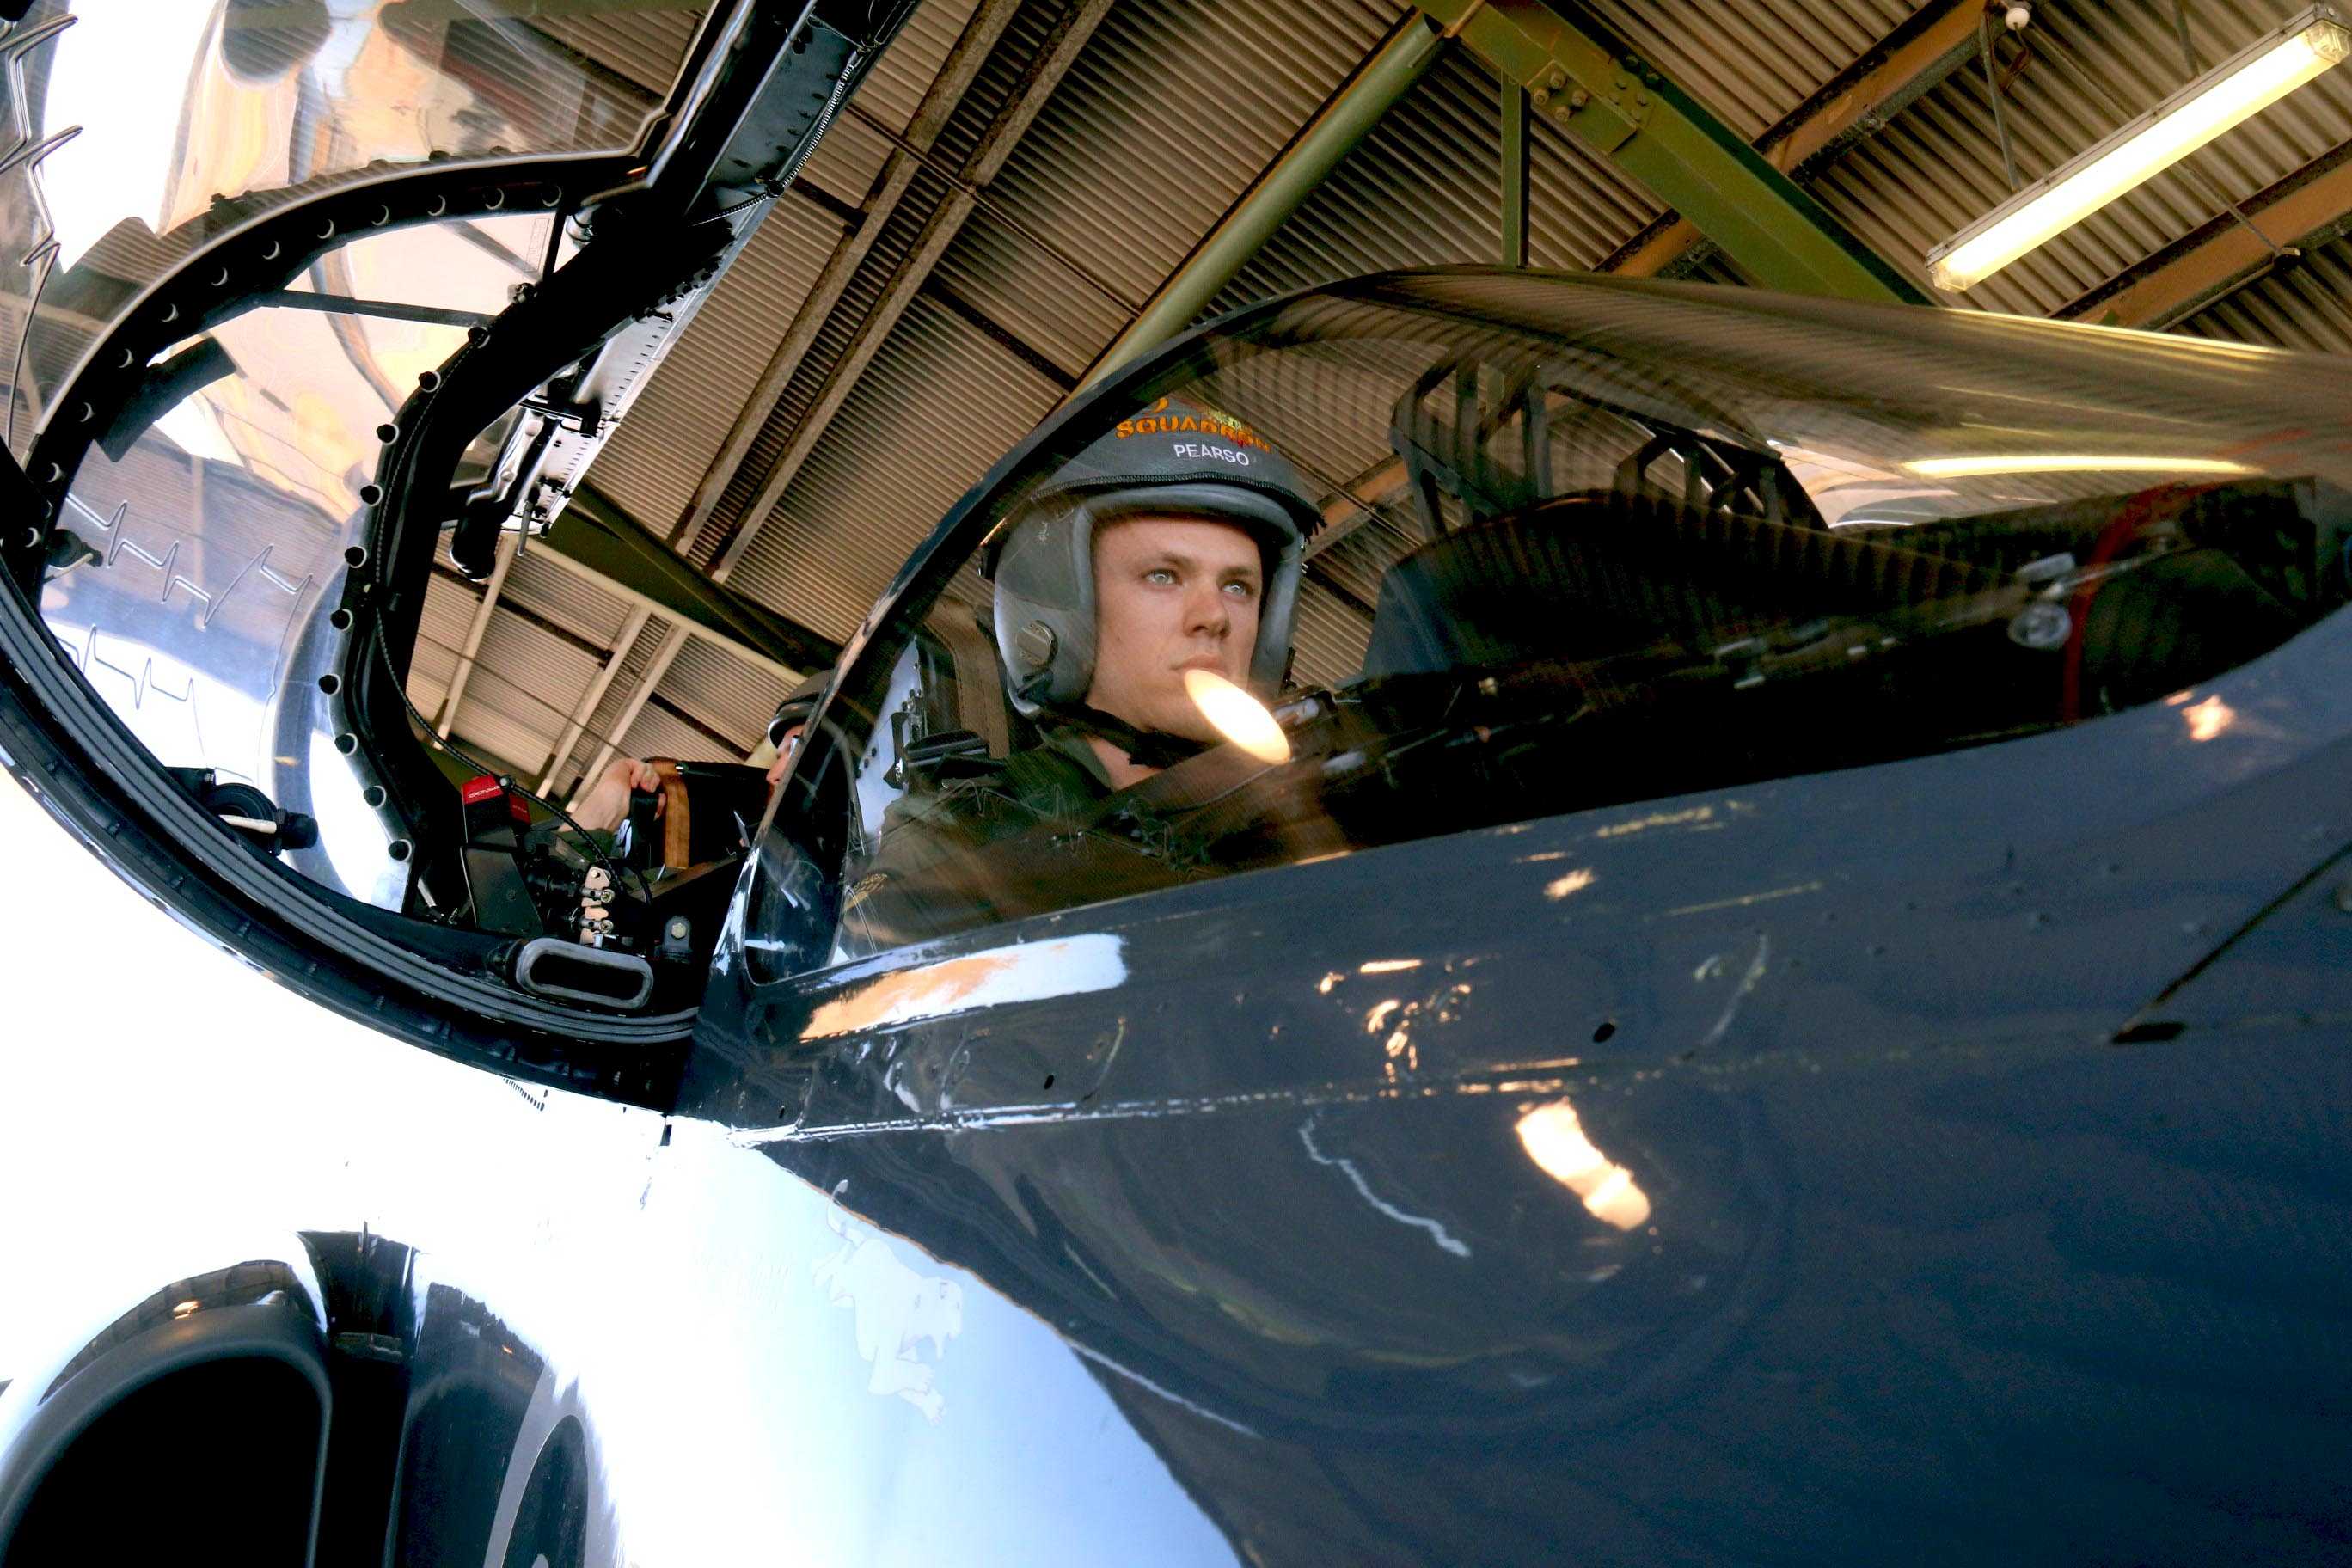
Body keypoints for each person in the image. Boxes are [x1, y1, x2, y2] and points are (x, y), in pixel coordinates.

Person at [837, 397, 1324, 944]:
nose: (1214, 617)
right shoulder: (970, 843)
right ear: (1059, 608)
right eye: (1163, 576)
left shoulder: (1326, 793)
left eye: (1238, 587)